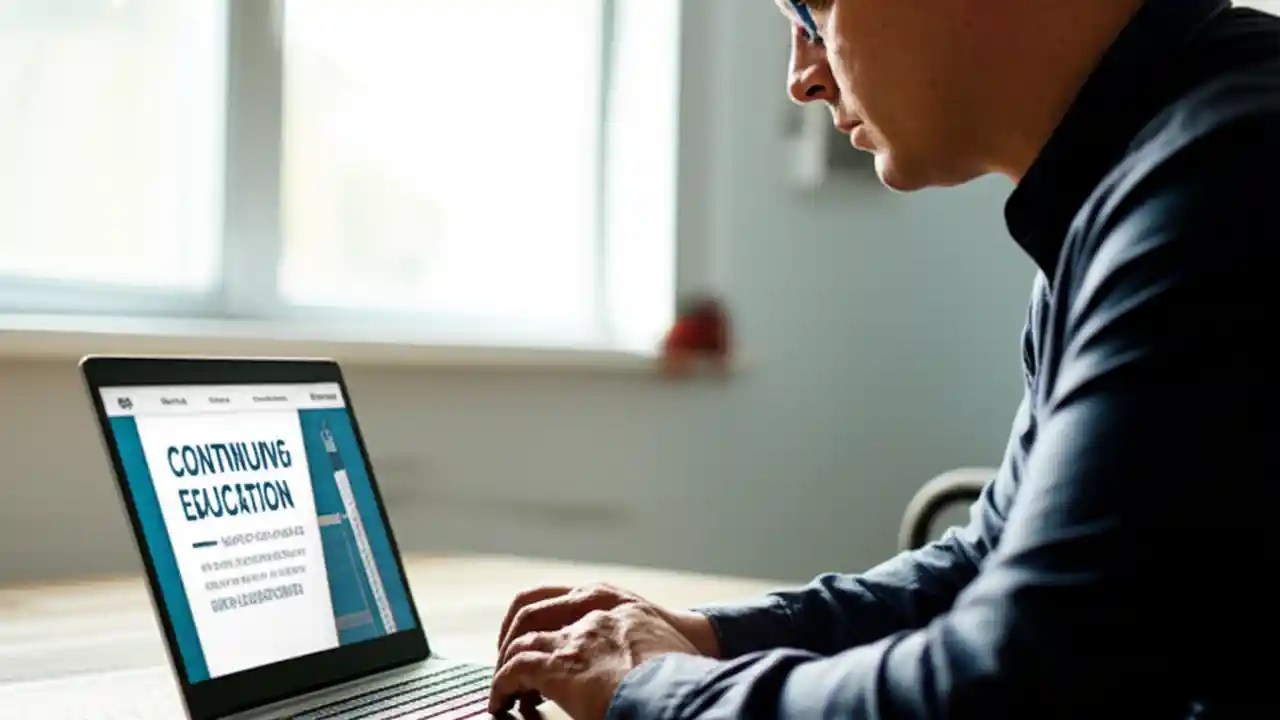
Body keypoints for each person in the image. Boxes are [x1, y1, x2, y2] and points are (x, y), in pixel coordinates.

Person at [488, 0, 1280, 717]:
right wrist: (700, 638)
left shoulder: (1227, 178)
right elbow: (988, 562)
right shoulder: (1149, 171)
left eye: (812, 9)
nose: (802, 77)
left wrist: (651, 688)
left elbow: (1009, 686)